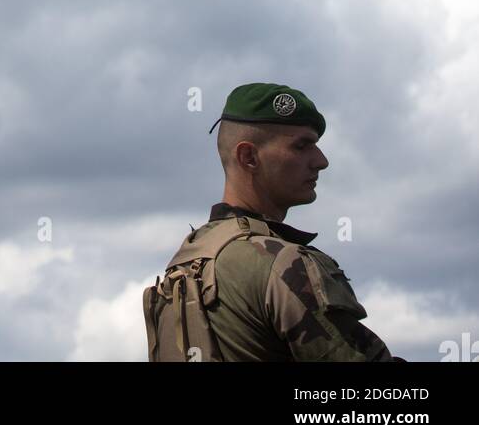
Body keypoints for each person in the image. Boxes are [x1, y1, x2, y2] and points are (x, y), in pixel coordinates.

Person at [143, 82, 406, 361]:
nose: (321, 161)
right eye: (301, 146)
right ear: (249, 157)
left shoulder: (186, 264)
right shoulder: (281, 264)